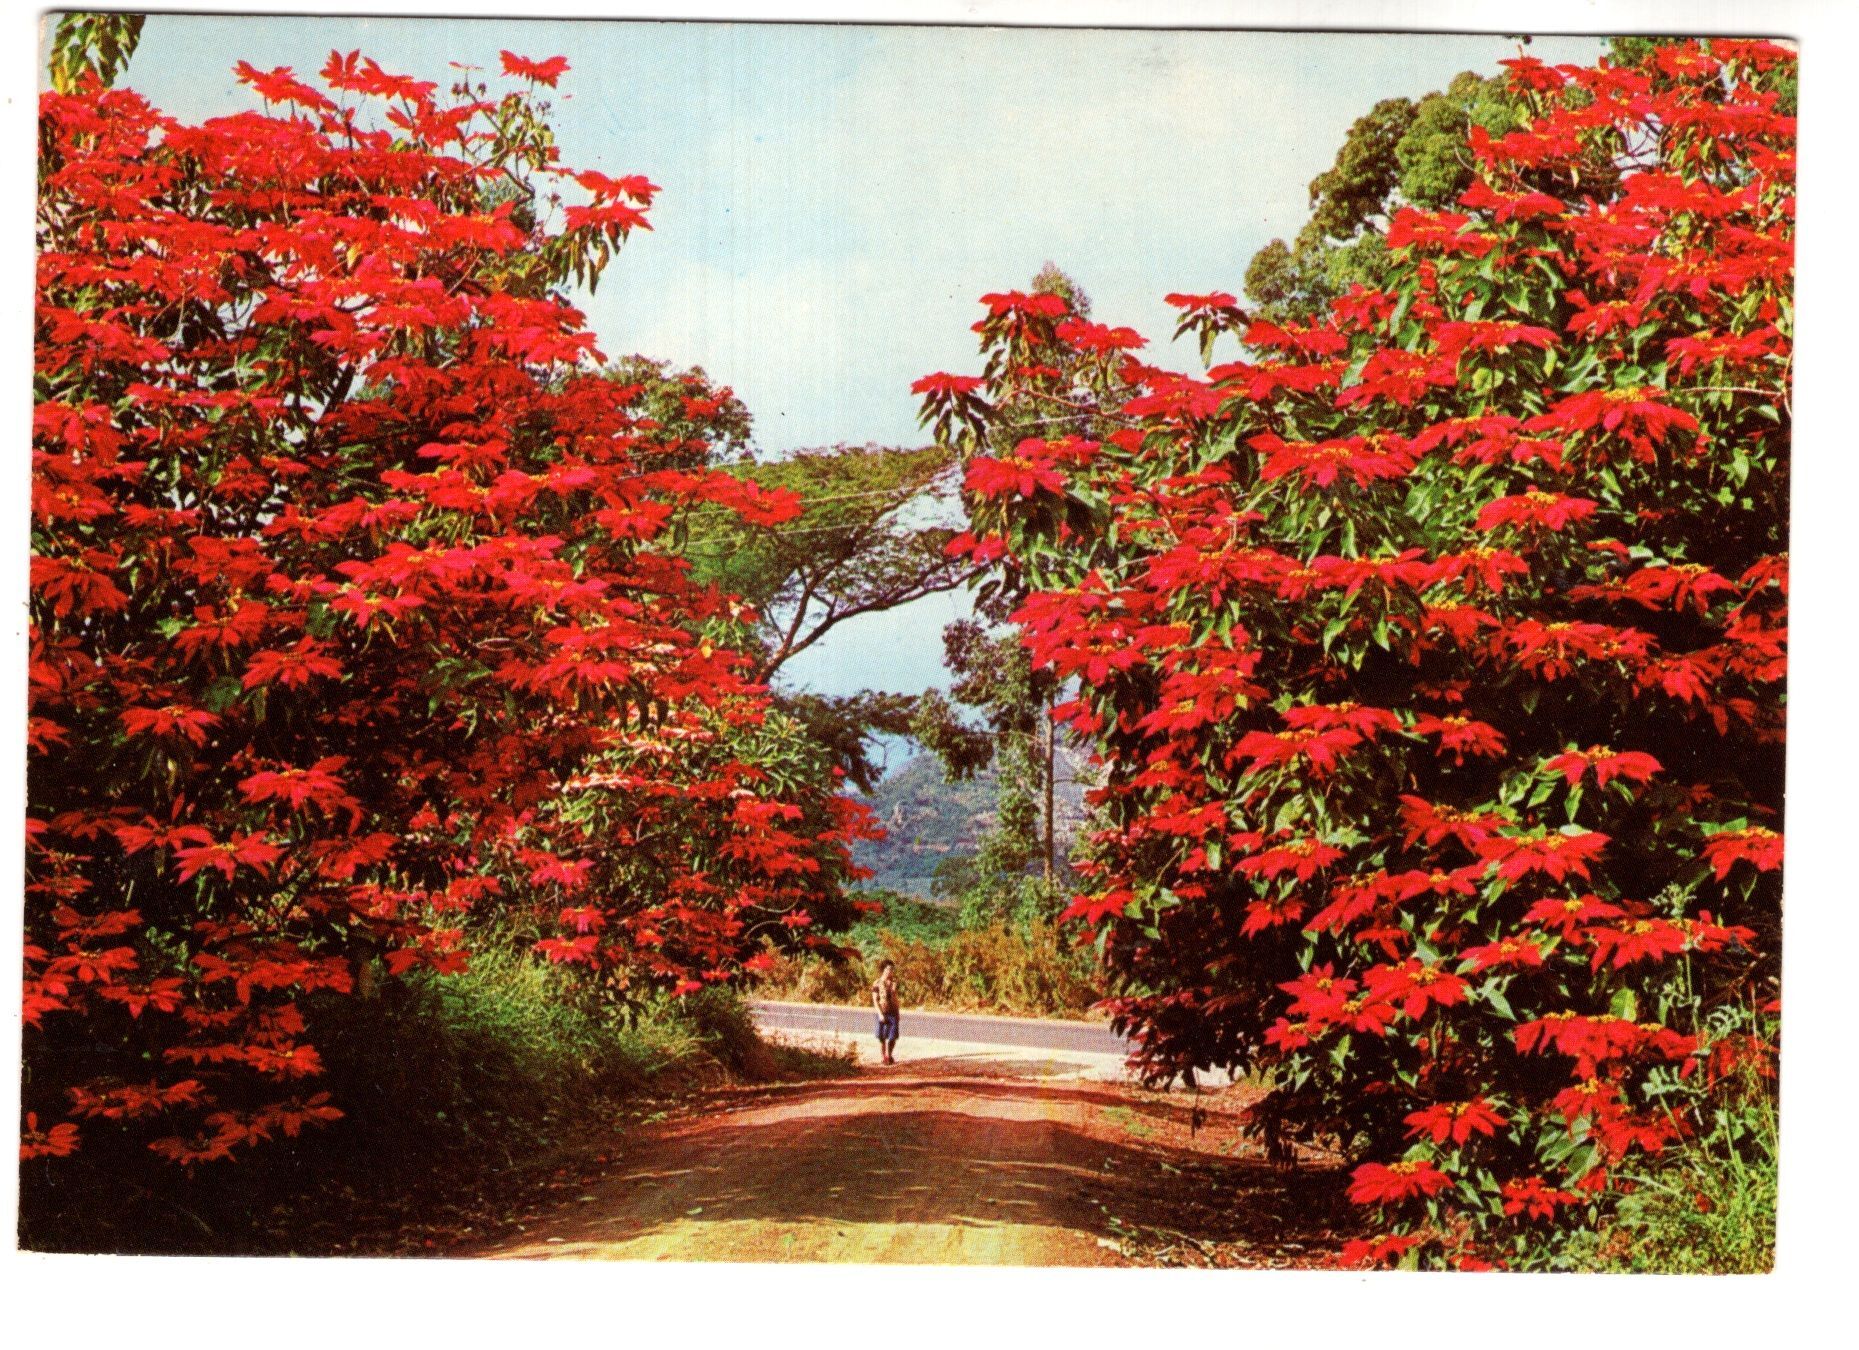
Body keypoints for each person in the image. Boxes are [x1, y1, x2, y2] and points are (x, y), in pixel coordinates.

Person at [870, 958, 900, 1065]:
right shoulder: (877, 983)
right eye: (888, 969)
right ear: (883, 969)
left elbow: (896, 998)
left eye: (891, 969)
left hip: (892, 1011)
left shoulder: (894, 983)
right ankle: (884, 1057)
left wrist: (898, 1012)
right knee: (882, 1037)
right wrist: (879, 1014)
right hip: (882, 1011)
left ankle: (889, 1055)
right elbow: (875, 1000)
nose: (890, 971)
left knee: (892, 1036)